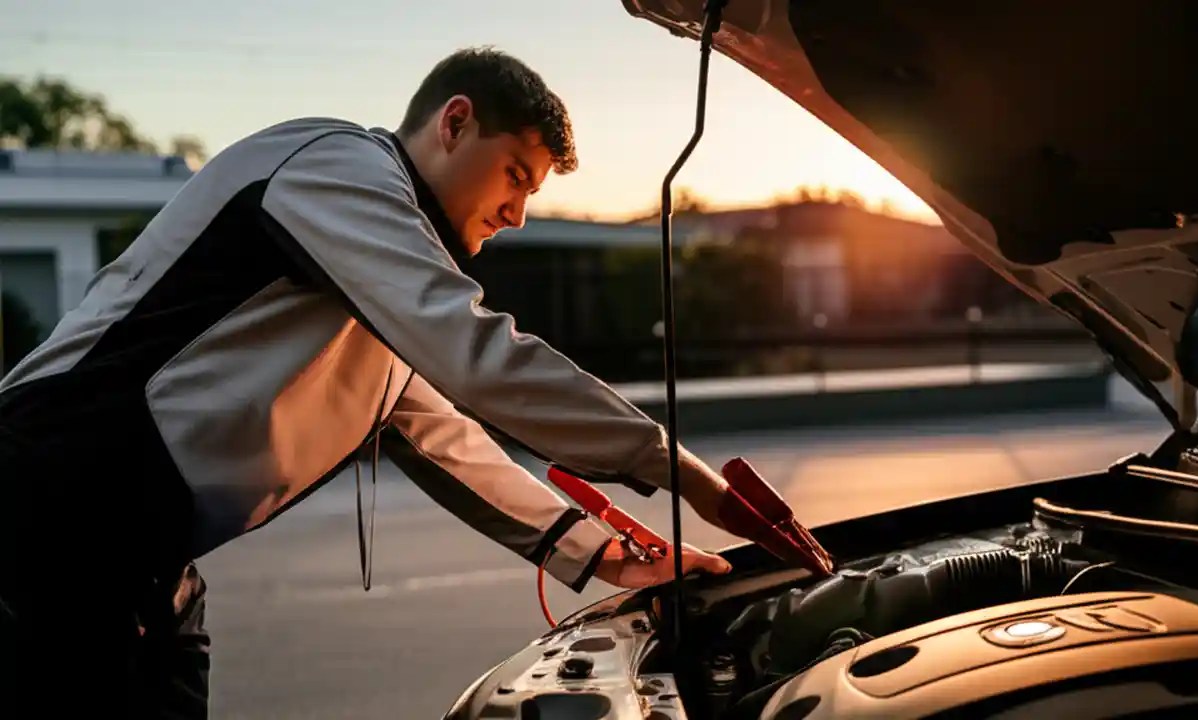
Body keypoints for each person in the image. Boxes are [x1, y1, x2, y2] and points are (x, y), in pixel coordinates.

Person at [0, 47, 749, 718]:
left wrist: (601, 551)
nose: (519, 214)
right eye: (516, 175)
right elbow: (475, 352)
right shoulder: (334, 165)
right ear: (454, 123)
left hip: (140, 560)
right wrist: (679, 468)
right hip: (43, 502)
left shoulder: (376, 277)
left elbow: (442, 435)